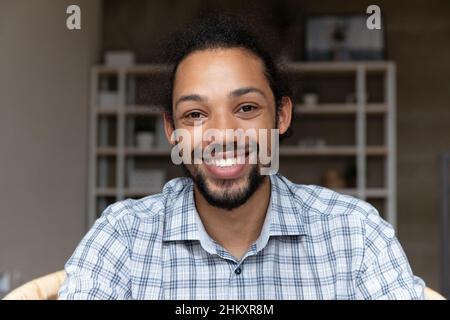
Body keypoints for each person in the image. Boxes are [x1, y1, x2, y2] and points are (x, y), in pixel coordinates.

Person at [59, 15, 425, 300]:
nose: (223, 134)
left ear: (281, 115)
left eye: (246, 107)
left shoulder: (355, 232)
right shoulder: (122, 235)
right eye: (195, 115)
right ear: (172, 130)